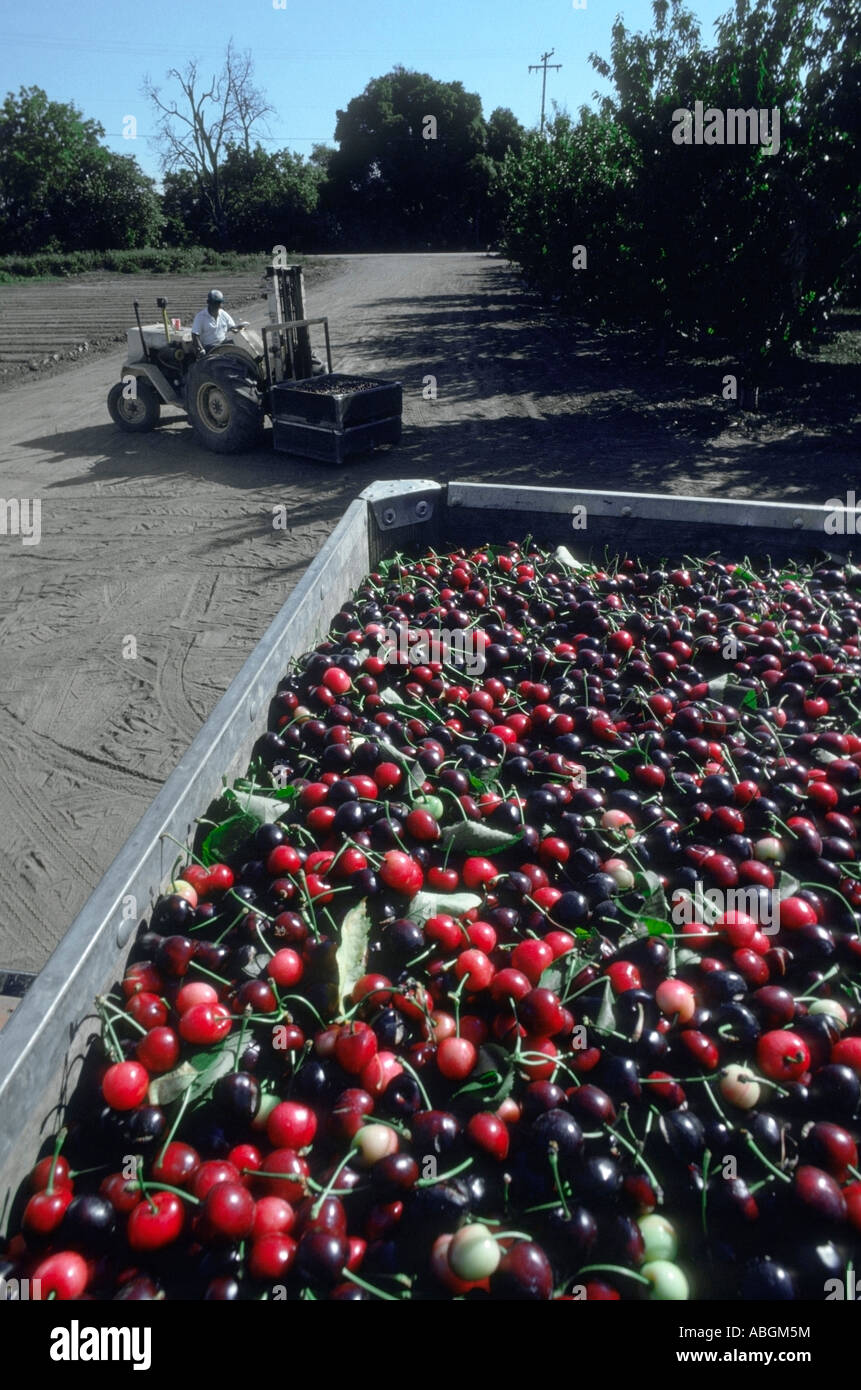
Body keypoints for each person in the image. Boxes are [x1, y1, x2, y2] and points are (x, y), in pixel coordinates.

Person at [191, 290, 237, 356]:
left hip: (223, 344)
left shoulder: (223, 314)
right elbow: (195, 335)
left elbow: (232, 327)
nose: (217, 305)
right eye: (215, 303)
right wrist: (201, 349)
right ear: (208, 302)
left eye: (219, 303)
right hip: (209, 347)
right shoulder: (200, 317)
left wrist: (236, 329)